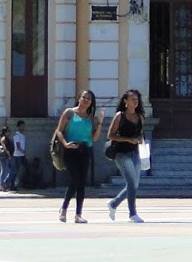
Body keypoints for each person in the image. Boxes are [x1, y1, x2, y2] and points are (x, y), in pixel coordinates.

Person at [52, 89, 102, 223]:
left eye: (89, 99)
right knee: (75, 179)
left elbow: (95, 138)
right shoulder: (69, 113)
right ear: (79, 98)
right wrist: (65, 143)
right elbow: (59, 131)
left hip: (85, 150)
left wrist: (100, 123)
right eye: (84, 97)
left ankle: (78, 214)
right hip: (71, 149)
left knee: (82, 183)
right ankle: (63, 209)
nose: (86, 100)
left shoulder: (90, 118)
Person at [105, 88, 146, 223]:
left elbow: (140, 133)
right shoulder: (120, 116)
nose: (135, 101)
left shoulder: (140, 116)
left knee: (134, 184)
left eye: (137, 99)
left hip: (135, 152)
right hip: (121, 153)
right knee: (131, 183)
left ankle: (114, 204)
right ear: (125, 101)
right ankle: (132, 213)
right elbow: (110, 135)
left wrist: (139, 138)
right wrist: (128, 139)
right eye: (132, 99)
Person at [8, 120, 27, 191]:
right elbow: (18, 146)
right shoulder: (16, 136)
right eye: (22, 126)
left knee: (26, 168)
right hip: (17, 155)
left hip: (22, 155)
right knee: (15, 170)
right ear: (18, 127)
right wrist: (23, 152)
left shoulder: (23, 135)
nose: (23, 128)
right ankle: (11, 185)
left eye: (24, 126)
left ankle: (23, 183)